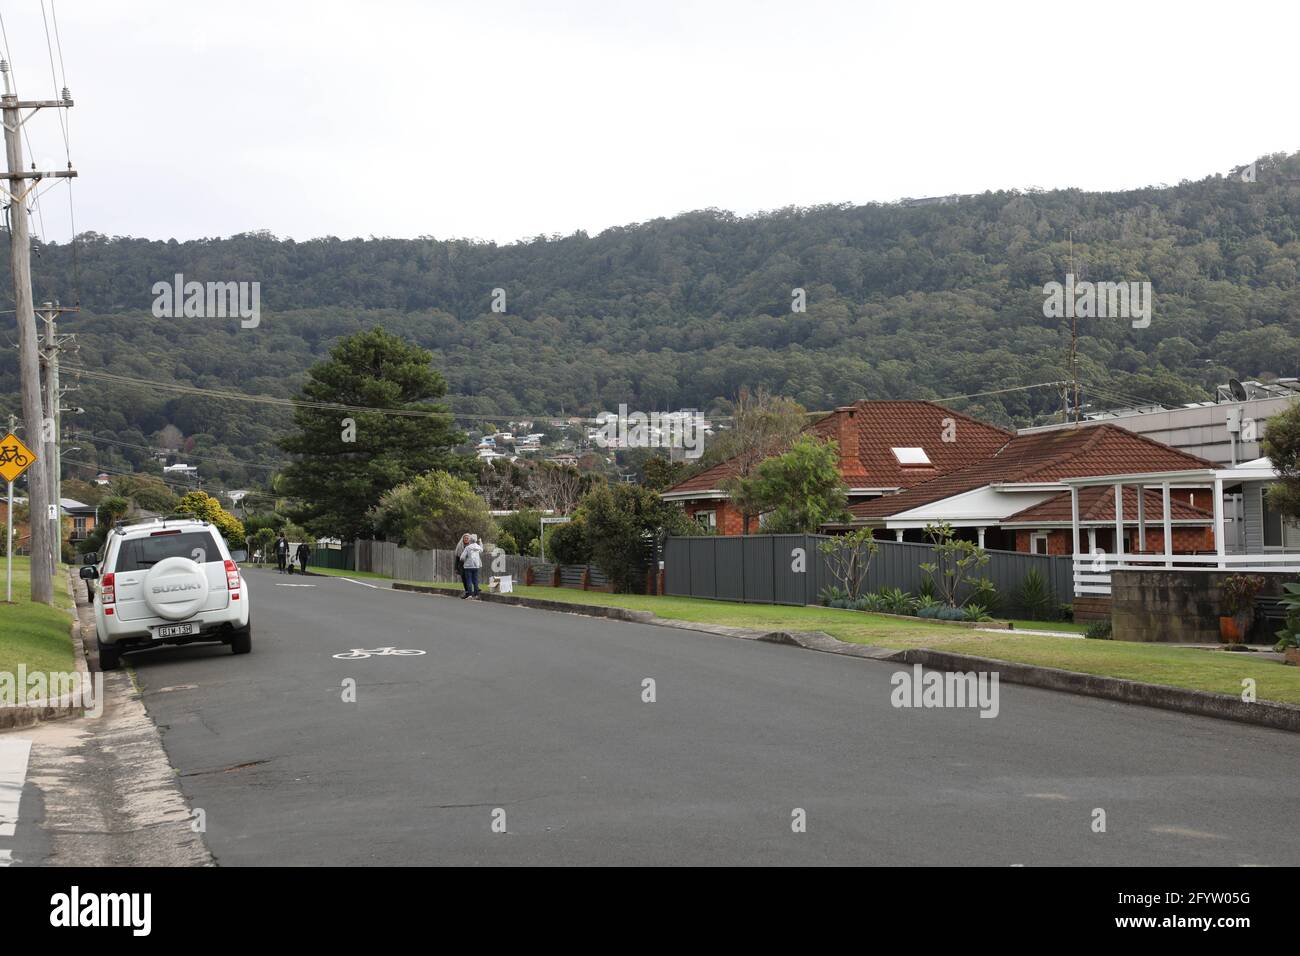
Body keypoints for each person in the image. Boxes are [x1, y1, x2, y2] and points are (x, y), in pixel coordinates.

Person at [461, 534, 483, 599]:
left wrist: (465, 559)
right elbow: (482, 550)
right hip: (476, 566)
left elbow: (462, 557)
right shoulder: (478, 547)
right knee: (475, 580)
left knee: (469, 580)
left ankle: (470, 595)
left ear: (470, 540)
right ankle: (476, 595)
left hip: (468, 566)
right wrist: (481, 542)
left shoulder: (468, 547)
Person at [454, 533, 471, 597]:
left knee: (469, 578)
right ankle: (467, 592)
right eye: (465, 538)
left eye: (467, 538)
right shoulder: (459, 546)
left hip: (469, 565)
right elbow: (457, 558)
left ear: (469, 539)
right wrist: (456, 568)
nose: (466, 539)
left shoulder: (471, 546)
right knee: (464, 579)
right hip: (462, 565)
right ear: (463, 539)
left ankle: (471, 591)